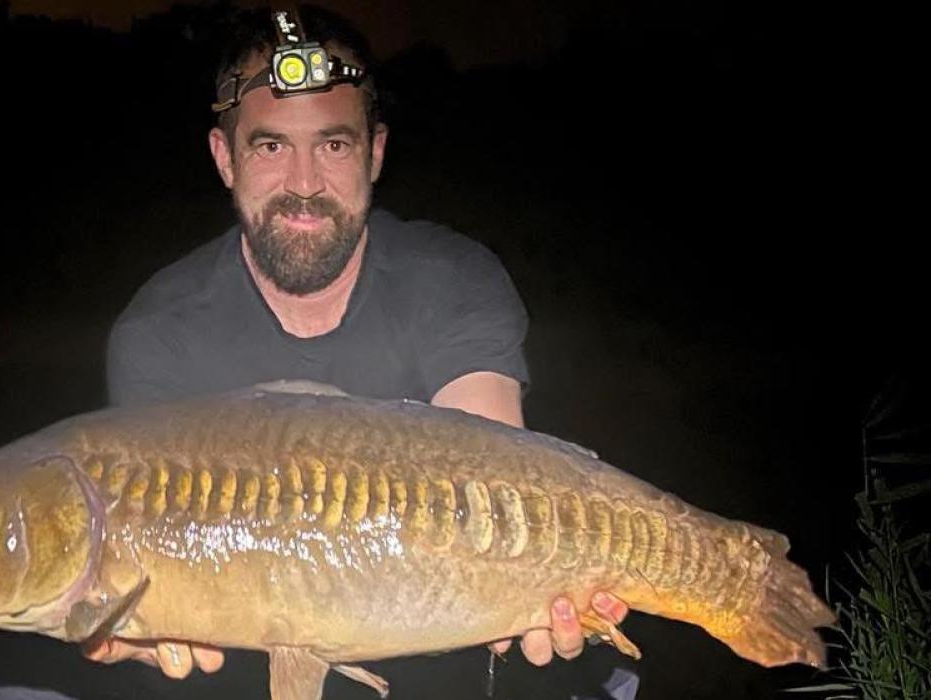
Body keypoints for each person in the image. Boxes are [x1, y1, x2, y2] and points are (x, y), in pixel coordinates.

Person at [95, 4, 630, 694]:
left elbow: (499, 473)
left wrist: (537, 579)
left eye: (335, 145)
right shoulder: (159, 334)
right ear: (224, 157)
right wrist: (130, 619)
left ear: (375, 153)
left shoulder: (450, 279)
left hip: (448, 653)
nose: (306, 184)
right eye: (270, 147)